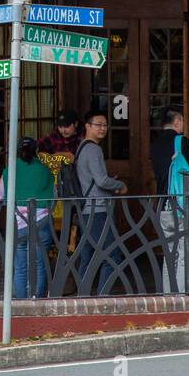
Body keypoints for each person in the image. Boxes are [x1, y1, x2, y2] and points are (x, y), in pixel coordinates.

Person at [149, 108, 189, 291]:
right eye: (182, 121)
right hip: (180, 205)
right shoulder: (181, 142)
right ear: (177, 121)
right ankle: (182, 294)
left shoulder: (155, 145)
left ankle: (168, 294)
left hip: (162, 206)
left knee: (169, 254)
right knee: (183, 254)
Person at [73, 110, 127, 293]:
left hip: (86, 209)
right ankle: (103, 298)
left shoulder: (81, 147)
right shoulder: (93, 149)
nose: (103, 128)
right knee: (112, 256)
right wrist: (119, 184)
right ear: (87, 126)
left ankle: (82, 298)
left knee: (87, 257)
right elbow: (101, 180)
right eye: (98, 124)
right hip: (96, 209)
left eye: (105, 125)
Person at [0, 138, 55, 298]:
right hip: (41, 224)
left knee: (20, 266)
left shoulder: (9, 171)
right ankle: (38, 300)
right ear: (36, 152)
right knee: (39, 265)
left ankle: (21, 302)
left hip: (18, 225)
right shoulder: (45, 170)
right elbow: (54, 196)